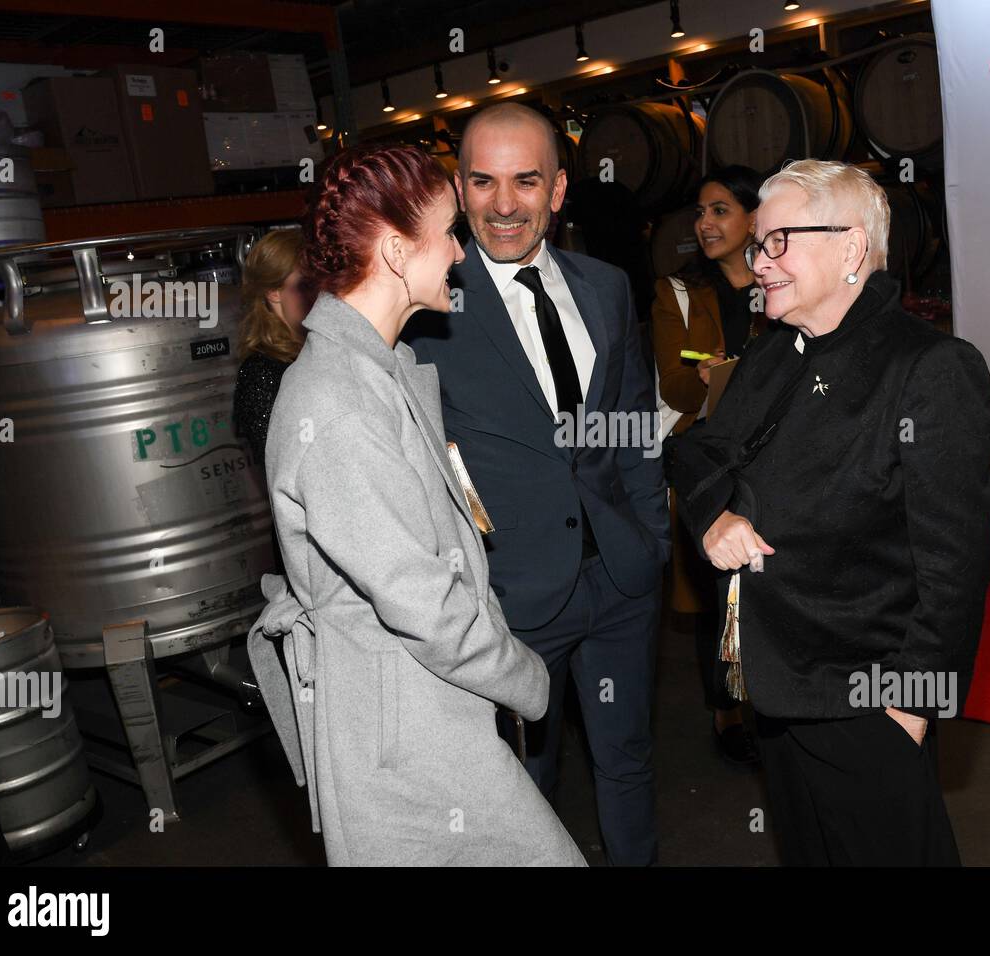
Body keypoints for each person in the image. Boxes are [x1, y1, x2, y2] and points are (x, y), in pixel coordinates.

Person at [246, 143, 585, 867]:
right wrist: (527, 676)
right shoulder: (338, 403)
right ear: (398, 252)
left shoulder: (380, 368)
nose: (461, 255)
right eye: (449, 233)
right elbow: (420, 600)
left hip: (426, 709)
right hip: (403, 733)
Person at [672, 159, 990, 866]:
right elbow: (700, 453)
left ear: (851, 248)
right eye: (758, 243)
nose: (759, 262)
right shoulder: (774, 355)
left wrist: (908, 712)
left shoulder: (931, 368)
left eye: (776, 241)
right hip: (777, 688)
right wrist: (713, 517)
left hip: (865, 702)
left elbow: (955, 564)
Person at [403, 103, 670, 866]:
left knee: (628, 761)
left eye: (526, 181)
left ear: (558, 190)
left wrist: (651, 540)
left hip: (620, 577)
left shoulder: (607, 287)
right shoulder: (430, 307)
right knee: (520, 785)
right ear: (459, 188)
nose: (504, 203)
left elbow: (631, 426)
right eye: (483, 181)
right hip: (511, 600)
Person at [651, 165, 769, 768]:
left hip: (777, 456)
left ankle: (781, 699)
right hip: (709, 459)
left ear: (755, 217)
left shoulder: (783, 280)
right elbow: (672, 383)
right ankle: (727, 712)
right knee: (718, 593)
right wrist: (704, 375)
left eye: (721, 210)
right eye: (701, 212)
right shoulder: (678, 292)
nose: (705, 223)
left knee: (774, 586)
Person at [232, 227, 311, 466]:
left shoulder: (317, 351)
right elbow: (286, 467)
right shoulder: (261, 373)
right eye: (306, 284)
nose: (321, 293)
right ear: (274, 292)